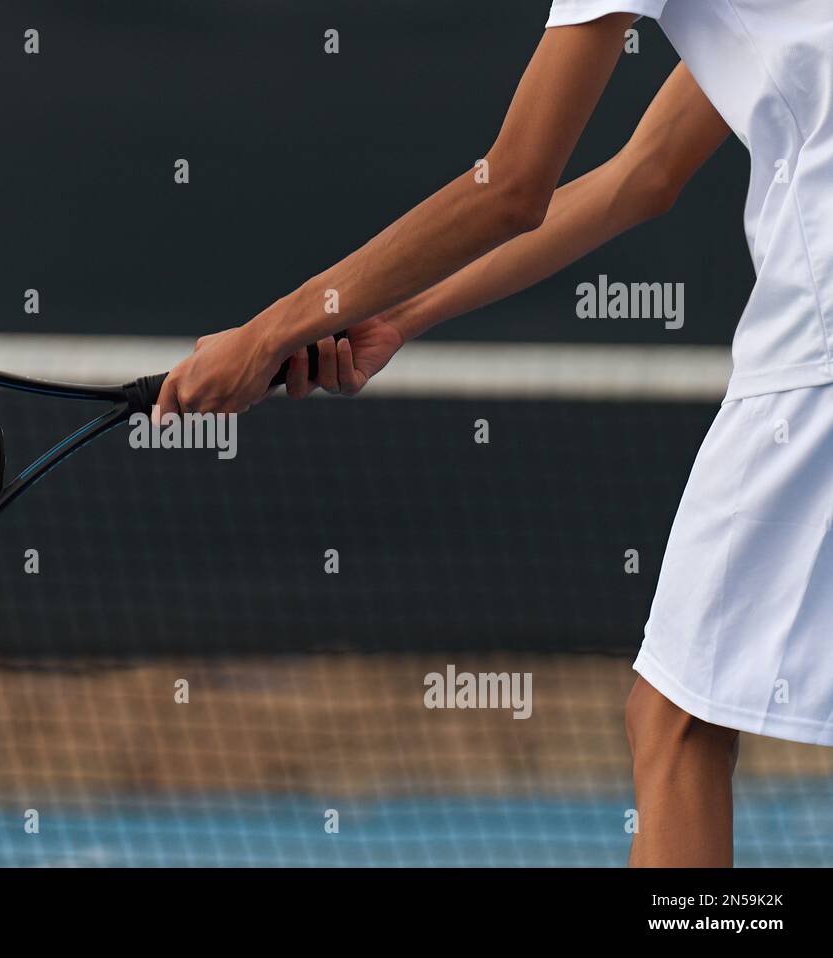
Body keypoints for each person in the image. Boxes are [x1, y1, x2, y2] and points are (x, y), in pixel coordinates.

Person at [155, 2, 833, 867]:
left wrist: (267, 333)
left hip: (819, 340)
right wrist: (396, 316)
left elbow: (513, 186)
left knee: (678, 723)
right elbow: (643, 173)